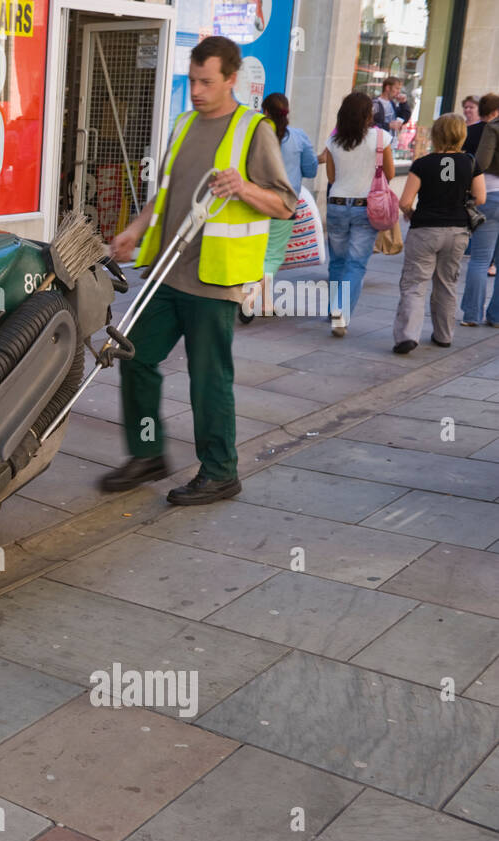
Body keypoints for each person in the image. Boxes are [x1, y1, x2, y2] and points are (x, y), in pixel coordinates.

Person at [102, 36, 296, 506]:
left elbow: (285, 203)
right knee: (136, 358)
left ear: (232, 79)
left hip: (216, 279)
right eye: (192, 80)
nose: (196, 90)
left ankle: (220, 472)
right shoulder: (184, 124)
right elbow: (164, 194)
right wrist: (134, 230)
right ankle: (147, 452)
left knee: (208, 379)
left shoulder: (254, 130)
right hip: (167, 273)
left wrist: (245, 187)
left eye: (206, 82)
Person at [392, 115, 485, 352]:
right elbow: (481, 198)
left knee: (415, 282)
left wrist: (411, 213)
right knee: (447, 283)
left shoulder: (422, 164)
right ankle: (443, 335)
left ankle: (407, 336)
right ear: (461, 134)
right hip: (457, 231)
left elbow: (405, 201)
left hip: (425, 228)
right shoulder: (471, 163)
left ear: (436, 134)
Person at [319, 92, 395, 336]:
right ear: (367, 114)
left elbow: (331, 178)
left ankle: (333, 308)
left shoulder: (333, 142)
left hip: (337, 203)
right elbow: (390, 173)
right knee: (356, 264)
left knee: (338, 261)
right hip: (366, 205)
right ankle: (340, 313)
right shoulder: (381, 138)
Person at [240, 92, 316, 324]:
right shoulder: (299, 138)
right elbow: (311, 170)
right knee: (273, 255)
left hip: (254, 202)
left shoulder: (253, 136)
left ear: (265, 112)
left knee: (259, 253)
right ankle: (250, 297)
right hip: (284, 204)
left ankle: (266, 302)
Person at [462, 103, 499, 326]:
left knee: (480, 259)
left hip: (491, 194)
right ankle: (496, 317)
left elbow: (481, 163)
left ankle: (472, 315)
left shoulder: (494, 127)